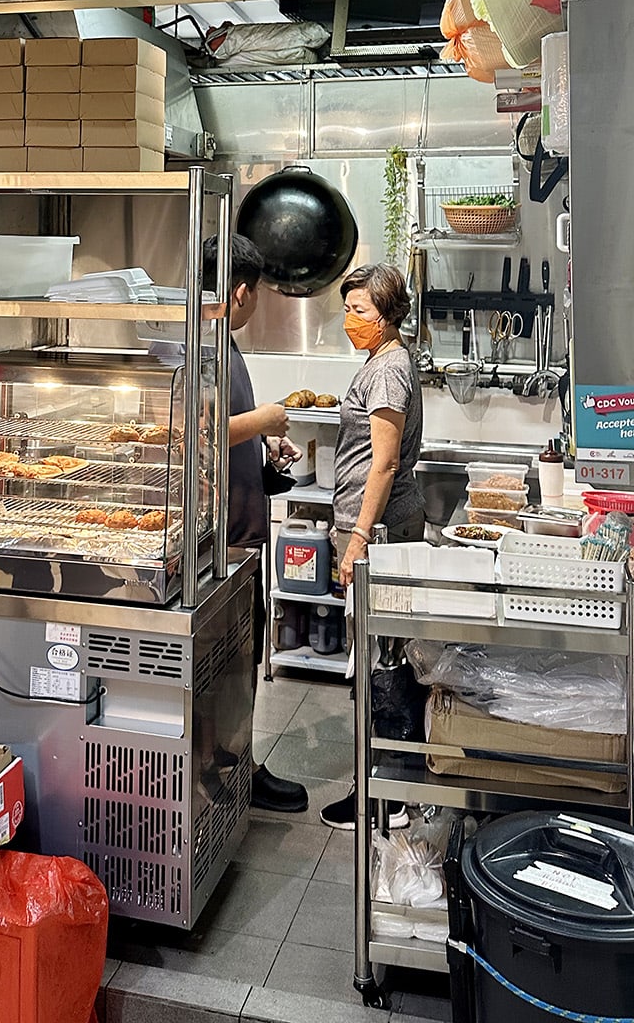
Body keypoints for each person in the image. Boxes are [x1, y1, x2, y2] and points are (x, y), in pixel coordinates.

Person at [203, 234, 309, 814]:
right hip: (221, 538)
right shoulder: (206, 346)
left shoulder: (228, 344)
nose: (256, 305)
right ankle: (224, 775)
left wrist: (265, 442)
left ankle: (238, 765)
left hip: (241, 532)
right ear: (240, 291)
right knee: (227, 665)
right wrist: (264, 417)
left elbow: (227, 427)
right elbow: (199, 434)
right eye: (257, 294)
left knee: (241, 661)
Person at [319, 262, 424, 830]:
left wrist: (357, 537)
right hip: (377, 527)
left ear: (387, 314)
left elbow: (383, 463)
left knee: (383, 661)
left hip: (377, 532)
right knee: (383, 655)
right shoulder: (385, 360)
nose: (350, 319)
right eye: (348, 308)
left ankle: (384, 799)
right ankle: (388, 788)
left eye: (359, 310)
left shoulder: (386, 371)